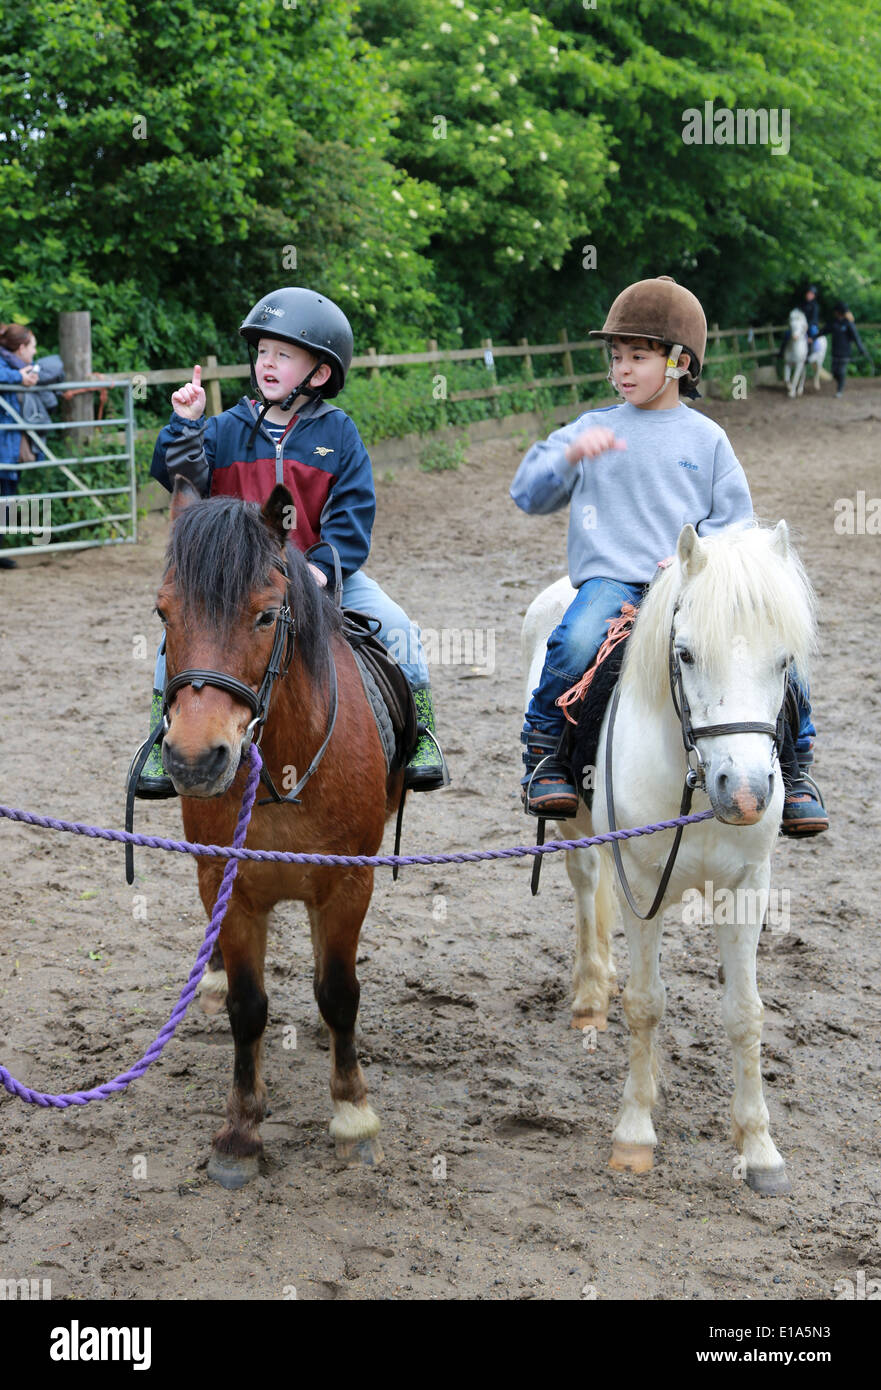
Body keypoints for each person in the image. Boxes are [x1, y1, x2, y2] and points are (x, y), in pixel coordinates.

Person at [511, 274, 827, 836]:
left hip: (688, 588)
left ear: (680, 363)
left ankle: (796, 767)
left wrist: (694, 565)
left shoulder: (707, 441)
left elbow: (734, 530)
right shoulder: (592, 429)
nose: (622, 369)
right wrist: (568, 457)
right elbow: (527, 493)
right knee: (577, 637)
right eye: (616, 357)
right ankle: (544, 754)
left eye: (637, 356)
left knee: (777, 650)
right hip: (614, 583)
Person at [136, 286, 449, 797]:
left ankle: (424, 736)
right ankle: (159, 737)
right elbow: (178, 476)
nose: (267, 362)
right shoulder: (225, 429)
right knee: (174, 639)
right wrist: (185, 425)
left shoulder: (339, 434)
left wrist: (326, 566)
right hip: (237, 584)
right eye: (262, 351)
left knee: (398, 627)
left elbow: (352, 512)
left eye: (283, 353)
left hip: (320, 571)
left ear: (318, 373)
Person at [0, 324, 41, 569]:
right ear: (22, 347)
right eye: (32, 347)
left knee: (6, 498)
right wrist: (19, 378)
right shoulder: (9, 368)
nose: (34, 352)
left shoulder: (14, 366)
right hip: (4, 442)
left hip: (8, 443)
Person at [821, 300, 872, 397]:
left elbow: (856, 338)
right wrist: (814, 337)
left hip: (845, 352)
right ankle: (840, 385)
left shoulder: (848, 324)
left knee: (841, 371)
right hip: (835, 351)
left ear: (838, 311)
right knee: (834, 372)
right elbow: (824, 331)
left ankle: (839, 390)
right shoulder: (834, 323)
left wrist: (861, 349)